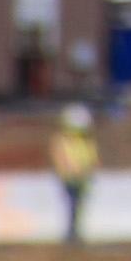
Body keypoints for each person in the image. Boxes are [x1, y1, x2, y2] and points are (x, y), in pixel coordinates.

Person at [50, 101, 101, 244]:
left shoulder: (85, 140)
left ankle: (74, 232)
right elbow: (60, 156)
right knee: (73, 204)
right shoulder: (64, 140)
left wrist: (90, 167)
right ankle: (71, 233)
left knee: (78, 205)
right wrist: (69, 168)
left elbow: (92, 156)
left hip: (82, 178)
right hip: (70, 178)